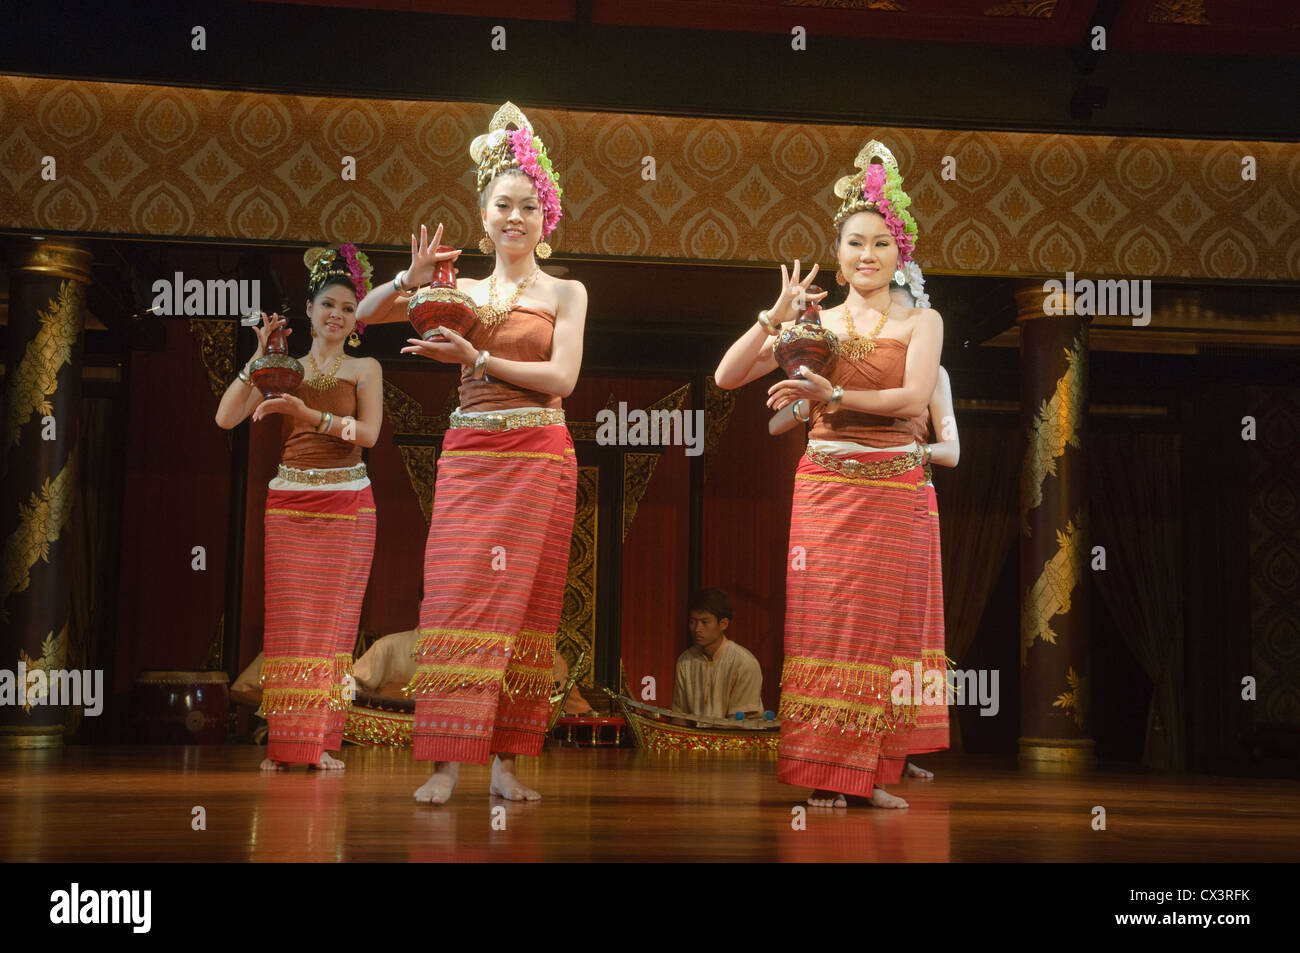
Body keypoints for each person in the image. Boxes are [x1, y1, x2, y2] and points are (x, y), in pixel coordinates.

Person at [356, 102, 586, 803]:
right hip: (471, 457)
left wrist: (476, 354)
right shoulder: (461, 288)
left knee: (529, 611)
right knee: (455, 601)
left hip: (540, 451)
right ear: (483, 216)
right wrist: (410, 277)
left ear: (545, 217)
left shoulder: (566, 291)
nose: (514, 217)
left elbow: (563, 380)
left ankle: (508, 766)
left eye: (527, 205)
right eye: (501, 206)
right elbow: (363, 318)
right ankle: (445, 763)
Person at [714, 140, 942, 809]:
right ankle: (826, 772)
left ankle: (868, 773)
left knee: (884, 630)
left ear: (899, 253)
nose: (866, 256)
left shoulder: (922, 320)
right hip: (827, 487)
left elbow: (911, 399)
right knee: (827, 625)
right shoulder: (816, 323)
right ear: (837, 253)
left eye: (879, 244)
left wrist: (832, 397)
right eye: (854, 244)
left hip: (896, 486)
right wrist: (773, 316)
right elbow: (729, 376)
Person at [215, 244, 382, 771]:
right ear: (308, 311)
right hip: (290, 501)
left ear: (355, 321)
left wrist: (309, 414)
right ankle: (287, 741)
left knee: (333, 626)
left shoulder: (365, 367)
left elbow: (371, 434)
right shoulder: (283, 365)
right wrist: (257, 358)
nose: (336, 314)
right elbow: (225, 420)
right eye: (327, 304)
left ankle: (321, 743)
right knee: (291, 625)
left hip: (349, 500)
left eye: (348, 309)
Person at [673, 589, 764, 719]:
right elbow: (679, 716)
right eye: (693, 622)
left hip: (733, 737)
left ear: (723, 624)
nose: (697, 629)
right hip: (694, 737)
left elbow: (739, 724)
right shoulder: (685, 661)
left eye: (704, 622)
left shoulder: (744, 662)